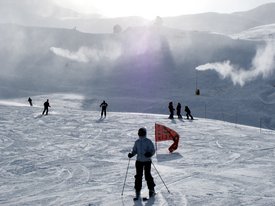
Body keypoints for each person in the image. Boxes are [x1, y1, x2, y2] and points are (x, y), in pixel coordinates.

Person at [128, 128, 156, 200]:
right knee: (138, 176)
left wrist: (149, 154)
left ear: (145, 133)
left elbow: (153, 150)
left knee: (147, 175)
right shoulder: (137, 142)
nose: (141, 135)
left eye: (142, 133)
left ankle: (151, 189)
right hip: (139, 161)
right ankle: (137, 190)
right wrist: (131, 154)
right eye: (140, 133)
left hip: (147, 161)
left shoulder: (148, 141)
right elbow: (134, 150)